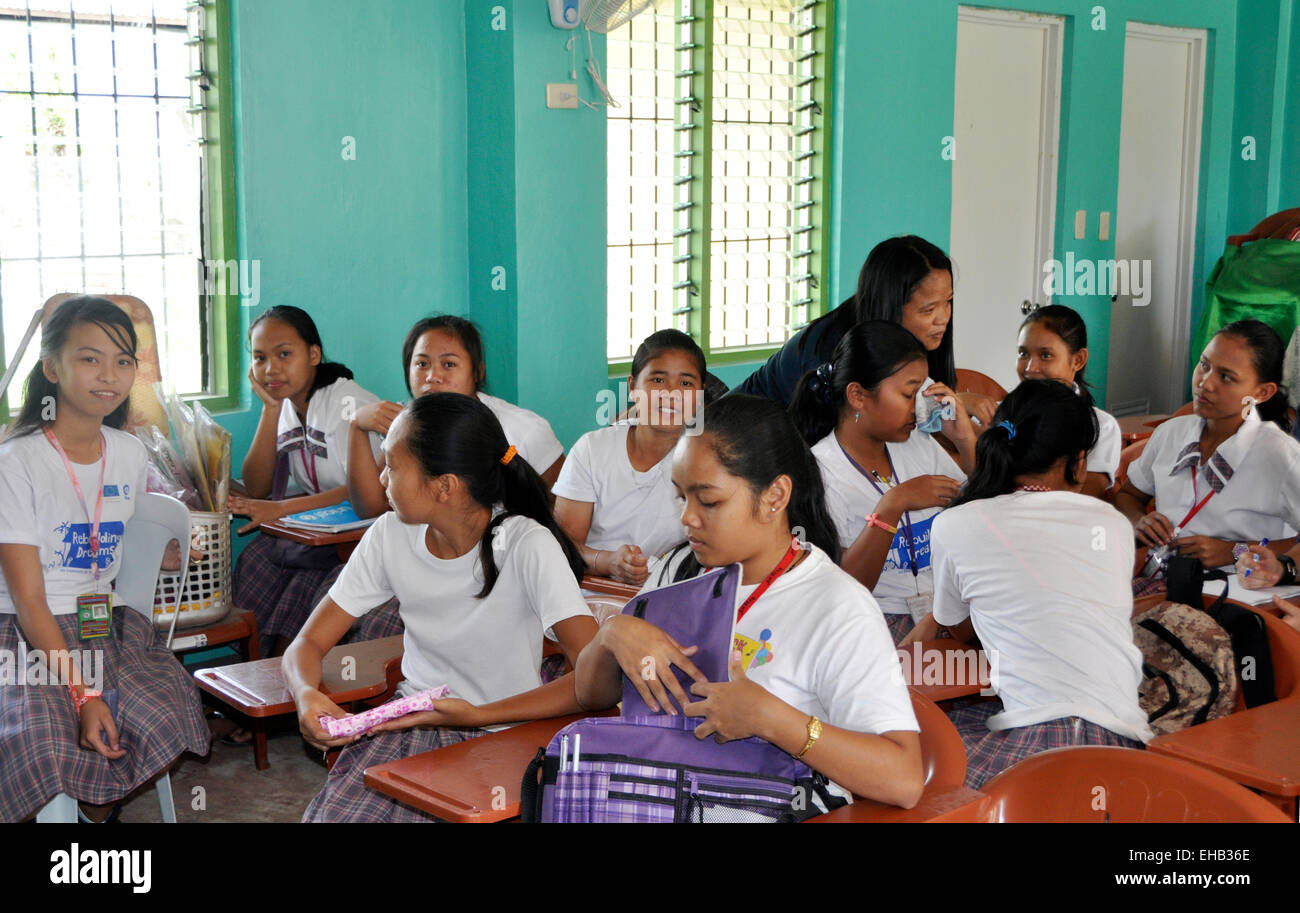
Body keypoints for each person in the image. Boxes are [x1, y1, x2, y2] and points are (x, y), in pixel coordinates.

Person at [573, 394, 924, 810]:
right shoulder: (679, 569)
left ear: (774, 496)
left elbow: (903, 779)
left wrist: (771, 720)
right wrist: (614, 634)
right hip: (664, 798)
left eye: (708, 501)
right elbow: (589, 695)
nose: (687, 517)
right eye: (680, 496)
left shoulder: (837, 605)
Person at [286, 394, 598, 822]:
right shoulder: (389, 535)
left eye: (392, 467)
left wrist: (478, 714)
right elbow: (306, 644)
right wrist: (306, 694)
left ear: (444, 486)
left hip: (502, 735)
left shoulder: (526, 544)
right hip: (413, 728)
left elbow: (596, 677)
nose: (381, 479)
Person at [0, 296, 208, 822]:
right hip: (26, 632)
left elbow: (112, 530)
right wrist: (83, 693)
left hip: (102, 622)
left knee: (160, 712)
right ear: (51, 368)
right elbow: (29, 600)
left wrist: (165, 553)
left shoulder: (129, 451)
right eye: (89, 358)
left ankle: (95, 811)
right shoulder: (15, 461)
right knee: (47, 743)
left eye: (122, 360)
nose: (108, 375)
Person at [918, 380, 1151, 788]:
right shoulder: (1111, 523)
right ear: (1079, 463)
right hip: (1125, 742)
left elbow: (957, 627)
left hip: (1048, 741)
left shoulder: (955, 523)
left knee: (918, 760)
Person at [790, 321, 975, 644]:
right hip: (874, 621)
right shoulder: (820, 472)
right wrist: (893, 505)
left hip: (943, 613)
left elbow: (983, 510)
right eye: (908, 394)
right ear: (859, 396)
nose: (918, 408)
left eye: (921, 393)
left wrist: (964, 439)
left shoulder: (916, 444)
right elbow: (842, 589)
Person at [229, 306, 383, 656]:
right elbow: (257, 487)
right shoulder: (287, 402)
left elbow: (364, 491)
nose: (271, 369)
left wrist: (280, 509)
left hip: (362, 534)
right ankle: (255, 670)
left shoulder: (347, 404)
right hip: (320, 533)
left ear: (313, 354)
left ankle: (287, 679)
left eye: (284, 354)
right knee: (256, 559)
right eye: (259, 357)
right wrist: (269, 410)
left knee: (305, 586)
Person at [732, 235, 997, 425]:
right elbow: (860, 425)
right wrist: (949, 403)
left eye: (948, 302)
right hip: (742, 435)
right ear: (890, 307)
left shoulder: (913, 342)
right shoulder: (835, 351)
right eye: (928, 310)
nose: (943, 319)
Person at [1115, 320, 1300, 591]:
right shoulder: (1171, 433)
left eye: (1226, 377)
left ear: (1262, 392)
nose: (1205, 383)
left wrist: (1233, 551)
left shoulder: (1280, 454)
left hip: (1236, 592)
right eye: (1204, 365)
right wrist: (1139, 521)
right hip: (1162, 581)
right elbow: (1128, 495)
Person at [345, 315, 565, 519]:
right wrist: (356, 426)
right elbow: (370, 508)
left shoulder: (525, 429)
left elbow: (561, 517)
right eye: (422, 364)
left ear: (478, 372)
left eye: (448, 364)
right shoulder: (406, 426)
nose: (432, 377)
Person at [553, 329, 705, 585]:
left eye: (686, 383)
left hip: (667, 595)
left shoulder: (707, 461)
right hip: (588, 590)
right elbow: (563, 547)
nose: (671, 393)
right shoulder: (593, 449)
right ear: (633, 387)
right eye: (657, 380)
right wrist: (608, 561)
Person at [1016, 304, 1120, 497]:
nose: (1030, 368)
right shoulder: (1001, 416)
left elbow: (1084, 498)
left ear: (1078, 360)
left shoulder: (1101, 426)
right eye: (1023, 354)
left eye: (1046, 355)